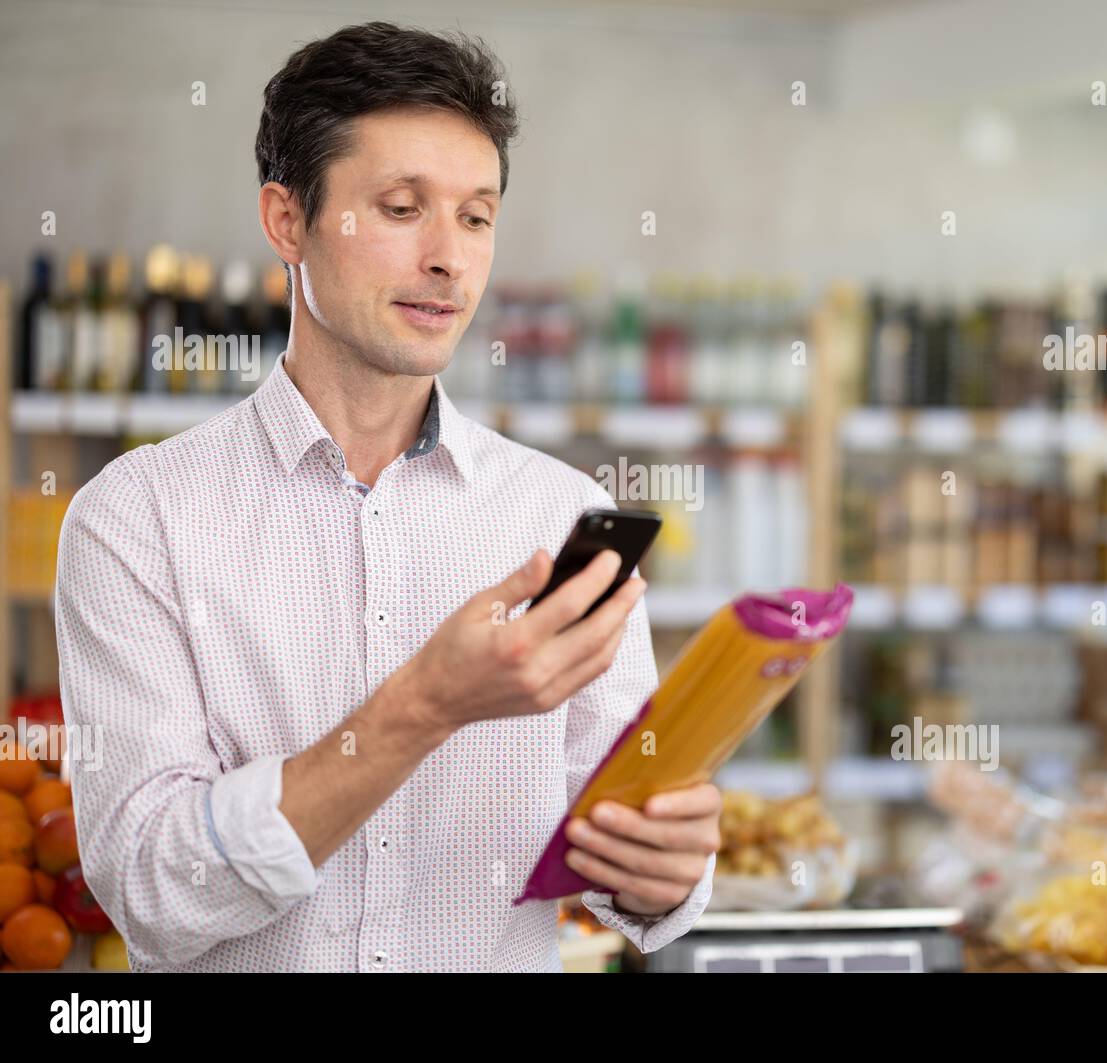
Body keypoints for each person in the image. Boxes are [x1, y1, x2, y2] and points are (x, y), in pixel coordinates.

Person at [54, 21, 718, 973]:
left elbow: (618, 853)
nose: (450, 258)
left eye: (478, 217)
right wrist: (421, 707)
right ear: (288, 221)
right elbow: (154, 890)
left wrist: (663, 867)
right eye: (403, 208)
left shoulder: (558, 513)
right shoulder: (136, 520)